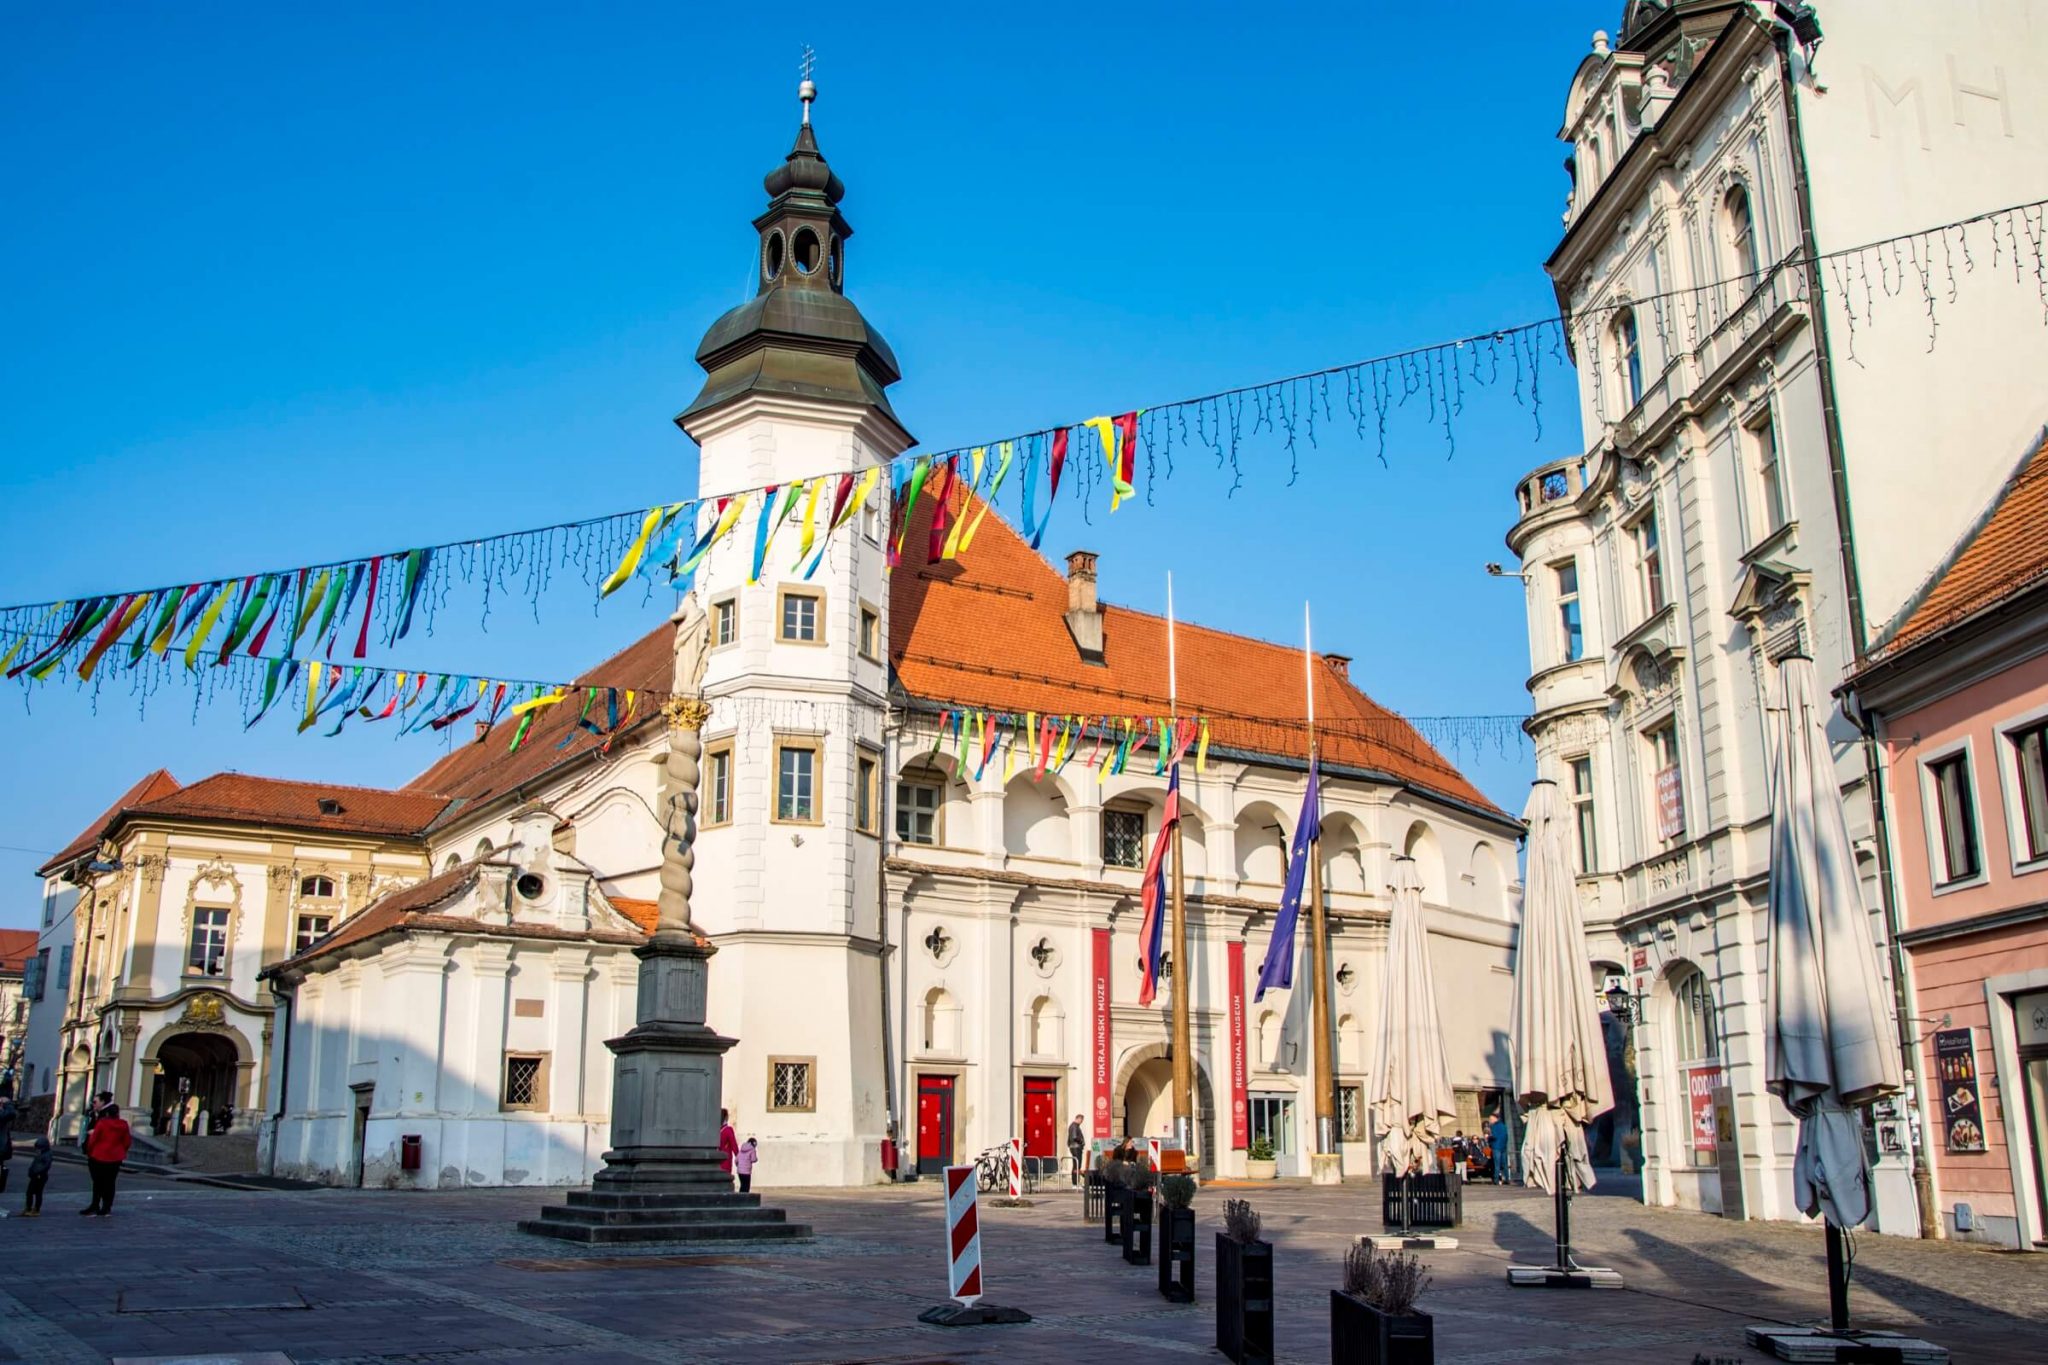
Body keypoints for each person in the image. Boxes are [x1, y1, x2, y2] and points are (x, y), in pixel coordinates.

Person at [81, 1101, 133, 1216]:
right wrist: (121, 1151)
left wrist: (89, 1151)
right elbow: (127, 1141)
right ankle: (107, 1207)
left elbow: (94, 1139)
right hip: (115, 1156)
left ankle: (95, 1205)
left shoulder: (102, 1123)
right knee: (110, 1182)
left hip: (99, 1155)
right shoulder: (123, 1124)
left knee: (98, 1182)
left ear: (108, 1113)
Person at [23, 1137, 52, 1217]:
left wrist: (36, 1172)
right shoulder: (41, 1153)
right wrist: (31, 1171)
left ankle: (36, 1209)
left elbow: (45, 1166)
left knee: (37, 1193)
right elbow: (35, 1163)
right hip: (35, 1175)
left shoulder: (47, 1155)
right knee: (29, 1192)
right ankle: (28, 1208)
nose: (38, 1150)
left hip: (40, 1176)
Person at [717, 1108, 739, 1186]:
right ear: (726, 1117)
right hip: (726, 1158)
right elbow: (734, 1144)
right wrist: (738, 1156)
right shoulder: (728, 1130)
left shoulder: (716, 1130)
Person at [1488, 1112, 1510, 1185]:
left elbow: (1494, 1136)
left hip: (1496, 1147)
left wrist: (1488, 1138)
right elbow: (1506, 1136)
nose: (1490, 1120)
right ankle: (1507, 1179)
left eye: (1491, 1119)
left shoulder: (1494, 1126)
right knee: (1504, 1164)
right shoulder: (1504, 1126)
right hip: (1503, 1147)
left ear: (1495, 1118)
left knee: (1497, 1164)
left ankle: (1496, 1180)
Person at [1066, 1114, 1086, 1186]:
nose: (1082, 1122)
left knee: (1076, 1165)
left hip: (1074, 1147)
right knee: (1077, 1165)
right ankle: (1075, 1184)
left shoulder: (1073, 1126)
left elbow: (1069, 1139)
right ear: (1078, 1119)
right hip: (1076, 1147)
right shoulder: (1074, 1126)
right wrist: (1081, 1141)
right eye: (1081, 1120)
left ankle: (1075, 1183)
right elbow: (1074, 1137)